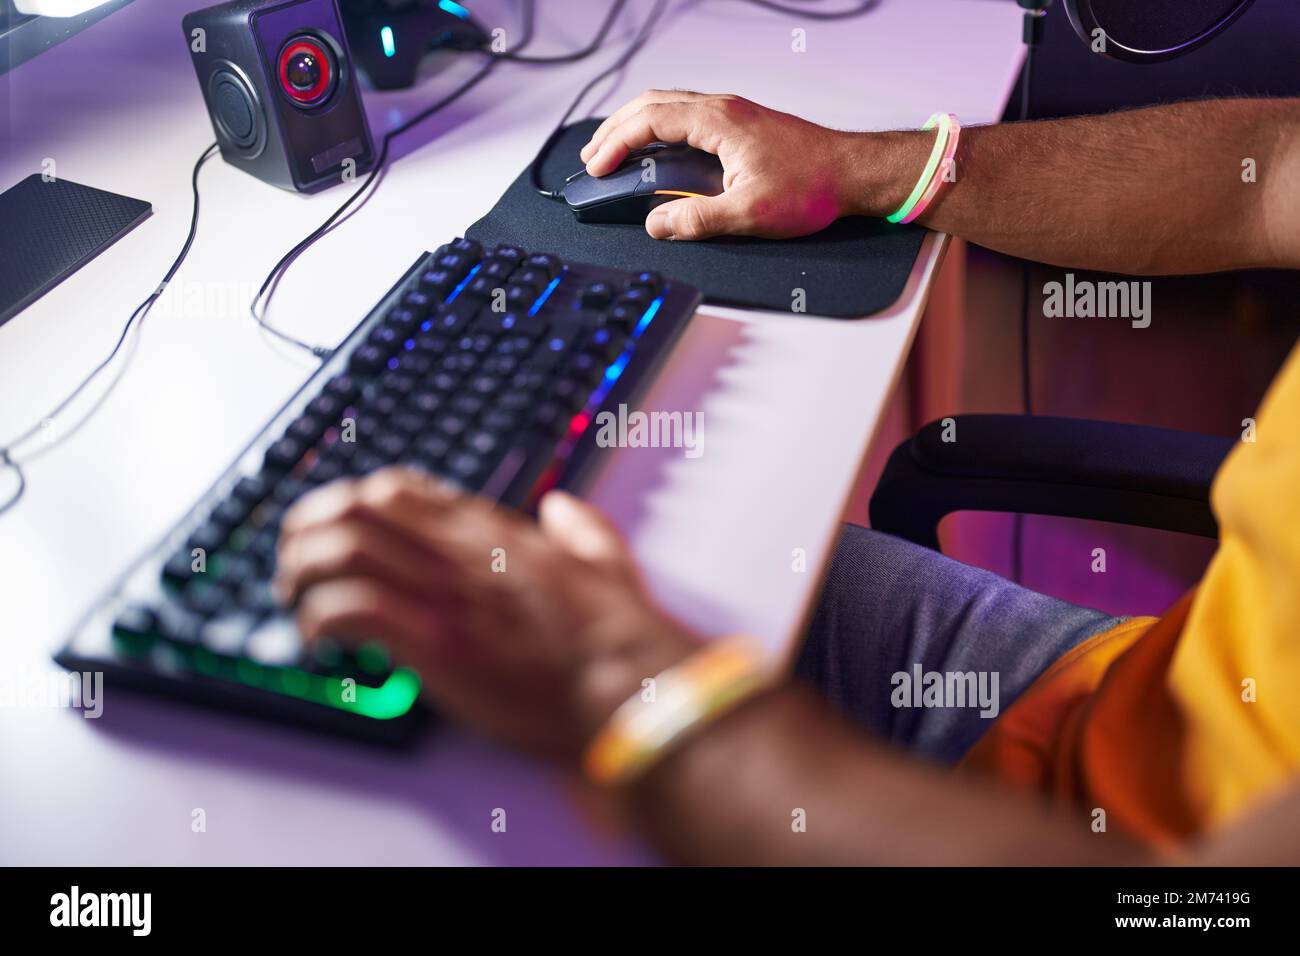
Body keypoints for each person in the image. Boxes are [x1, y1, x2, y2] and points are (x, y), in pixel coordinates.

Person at [273, 92, 1300, 864]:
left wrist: (621, 681)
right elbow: (1274, 162)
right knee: (659, 535)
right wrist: (868, 168)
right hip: (1141, 687)